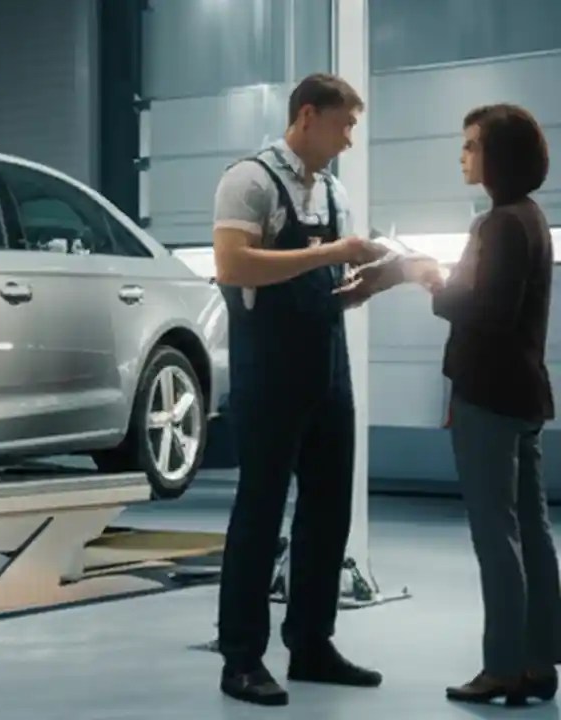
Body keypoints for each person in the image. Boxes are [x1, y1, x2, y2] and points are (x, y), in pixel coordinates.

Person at [210, 73, 438, 707]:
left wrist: (369, 277)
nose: (348, 140)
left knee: (327, 510)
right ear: (307, 116)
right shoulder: (249, 181)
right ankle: (242, 659)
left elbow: (329, 278)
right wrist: (332, 250)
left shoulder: (333, 193)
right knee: (259, 512)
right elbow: (232, 264)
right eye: (344, 126)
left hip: (326, 371)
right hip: (269, 373)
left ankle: (311, 643)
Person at [425, 103, 558, 707]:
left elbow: (487, 312)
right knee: (531, 530)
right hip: (524, 393)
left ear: (497, 155)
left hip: (488, 395)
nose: (463, 155)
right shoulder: (531, 219)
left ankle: (502, 666)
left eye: (472, 144)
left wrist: (435, 284)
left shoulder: (498, 224)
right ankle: (537, 661)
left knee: (495, 534)